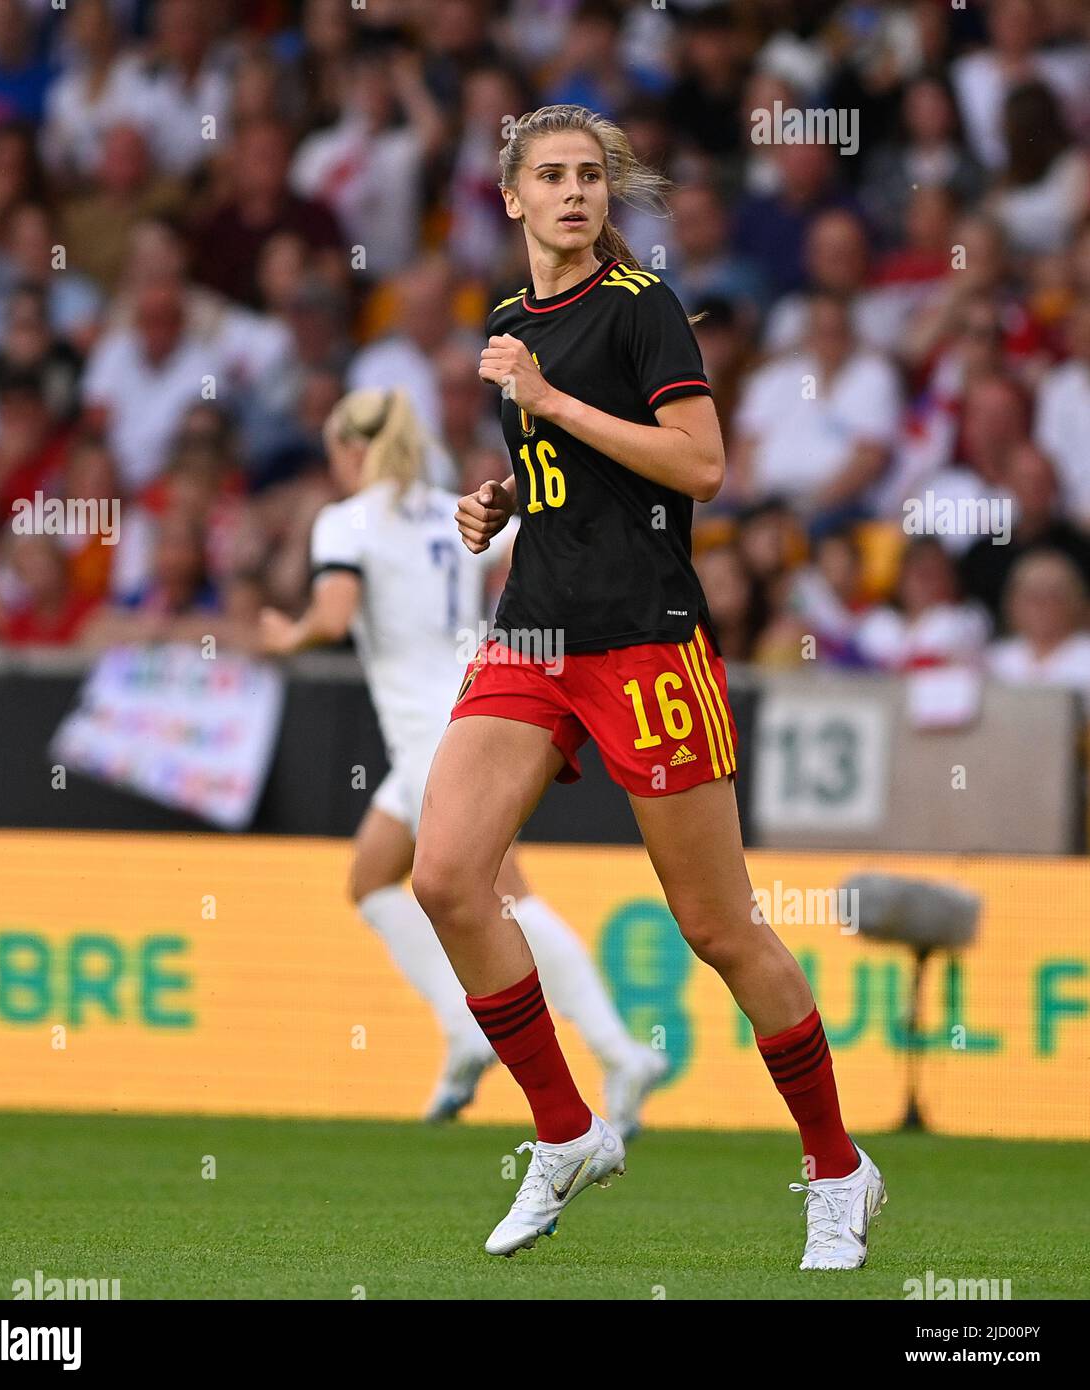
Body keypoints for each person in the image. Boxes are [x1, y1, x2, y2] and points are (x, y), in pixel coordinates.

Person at [412, 104, 886, 1267]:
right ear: (512, 199)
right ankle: (566, 1132)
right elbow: (562, 473)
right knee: (444, 876)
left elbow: (701, 466)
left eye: (590, 177)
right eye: (551, 178)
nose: (575, 193)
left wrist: (554, 405)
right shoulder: (514, 321)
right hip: (531, 636)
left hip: (644, 643)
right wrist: (499, 499)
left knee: (719, 928)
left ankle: (836, 1165)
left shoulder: (641, 309)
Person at [258, 387, 666, 1133]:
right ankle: (464, 1026)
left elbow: (336, 615)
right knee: (373, 876)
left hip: (432, 734)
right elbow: (537, 540)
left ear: (351, 451)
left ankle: (617, 1051)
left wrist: (286, 637)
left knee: (501, 893)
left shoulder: (346, 522)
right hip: (475, 702)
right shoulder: (457, 507)